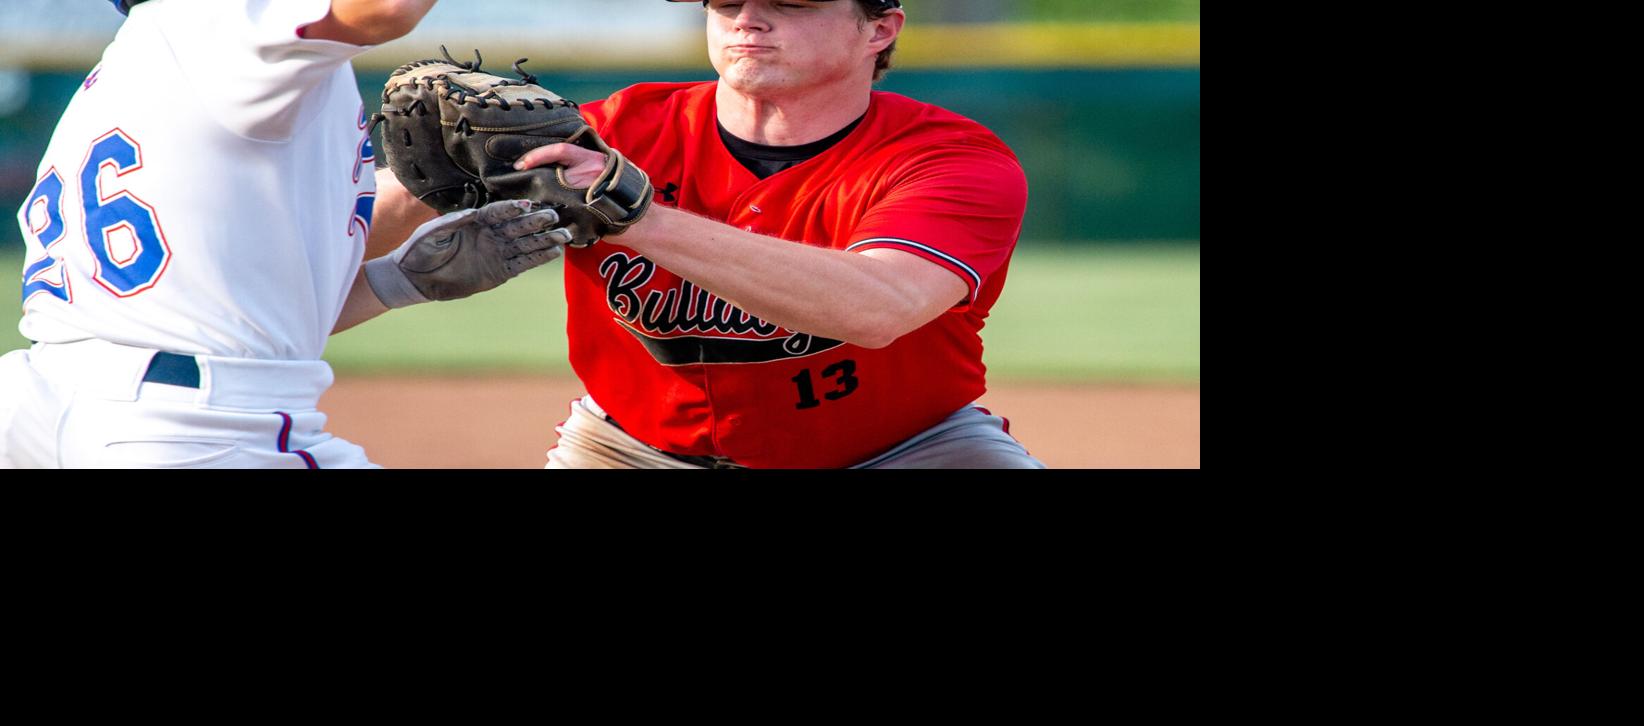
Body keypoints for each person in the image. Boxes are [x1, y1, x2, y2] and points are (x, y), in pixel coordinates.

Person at [1, 0, 567, 469]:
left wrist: (400, 280)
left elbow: (228, 296)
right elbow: (388, 8)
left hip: (49, 403)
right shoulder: (222, 20)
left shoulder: (140, 62)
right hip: (194, 433)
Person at [517, 0, 1044, 469]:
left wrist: (639, 217)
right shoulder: (609, 133)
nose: (748, 19)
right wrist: (436, 212)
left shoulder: (949, 160)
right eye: (726, 3)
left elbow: (879, 306)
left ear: (879, 30)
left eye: (791, 3)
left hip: (906, 448)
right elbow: (435, 226)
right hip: (629, 447)